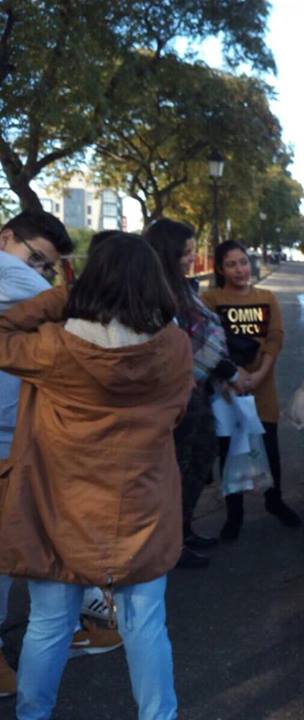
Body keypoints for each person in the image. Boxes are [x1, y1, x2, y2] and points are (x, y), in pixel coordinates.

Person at [0, 232, 193, 719]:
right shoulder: (173, 347)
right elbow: (176, 414)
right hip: (141, 504)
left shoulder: (55, 348)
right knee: (145, 624)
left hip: (57, 505)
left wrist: (63, 295)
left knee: (48, 623)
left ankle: (32, 715)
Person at [145, 219, 252, 568]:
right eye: (187, 252)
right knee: (181, 465)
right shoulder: (161, 290)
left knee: (199, 459)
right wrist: (229, 370)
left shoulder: (179, 286)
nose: (192, 257)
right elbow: (186, 341)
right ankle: (170, 541)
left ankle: (182, 529)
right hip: (179, 392)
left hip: (198, 387)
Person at [0, 212, 76, 698]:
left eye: (48, 267)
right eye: (36, 259)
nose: (40, 275)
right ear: (6, 238)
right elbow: (73, 304)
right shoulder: (8, 273)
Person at [203, 241, 300, 541]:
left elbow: (275, 338)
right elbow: (208, 342)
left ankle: (274, 500)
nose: (240, 270)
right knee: (230, 449)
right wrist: (233, 375)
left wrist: (259, 374)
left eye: (243, 262)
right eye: (231, 264)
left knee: (269, 446)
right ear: (220, 269)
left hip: (262, 385)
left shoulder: (266, 298)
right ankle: (235, 513)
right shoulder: (211, 299)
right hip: (226, 389)